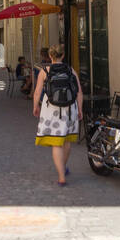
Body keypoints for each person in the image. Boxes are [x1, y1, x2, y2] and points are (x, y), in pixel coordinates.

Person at [33, 45, 83, 185]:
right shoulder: (71, 70)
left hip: (51, 110)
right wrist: (80, 109)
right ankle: (63, 167)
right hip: (69, 108)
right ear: (63, 55)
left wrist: (35, 106)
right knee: (66, 141)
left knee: (56, 142)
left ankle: (61, 176)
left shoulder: (45, 71)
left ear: (50, 56)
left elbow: (37, 92)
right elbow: (79, 92)